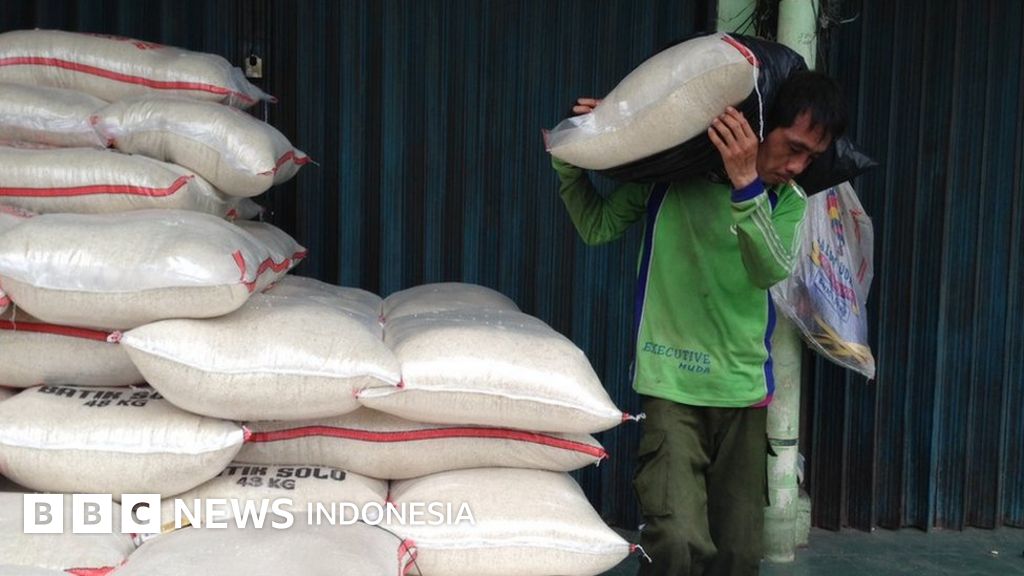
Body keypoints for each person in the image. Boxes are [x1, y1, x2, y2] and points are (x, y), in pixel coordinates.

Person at [553, 71, 846, 576]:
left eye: (811, 159)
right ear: (758, 125)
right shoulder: (669, 177)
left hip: (743, 393)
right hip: (672, 386)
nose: (797, 166)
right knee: (677, 543)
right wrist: (571, 161)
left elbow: (769, 269)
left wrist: (746, 186)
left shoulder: (787, 199)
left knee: (735, 556)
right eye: (792, 147)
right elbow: (597, 226)